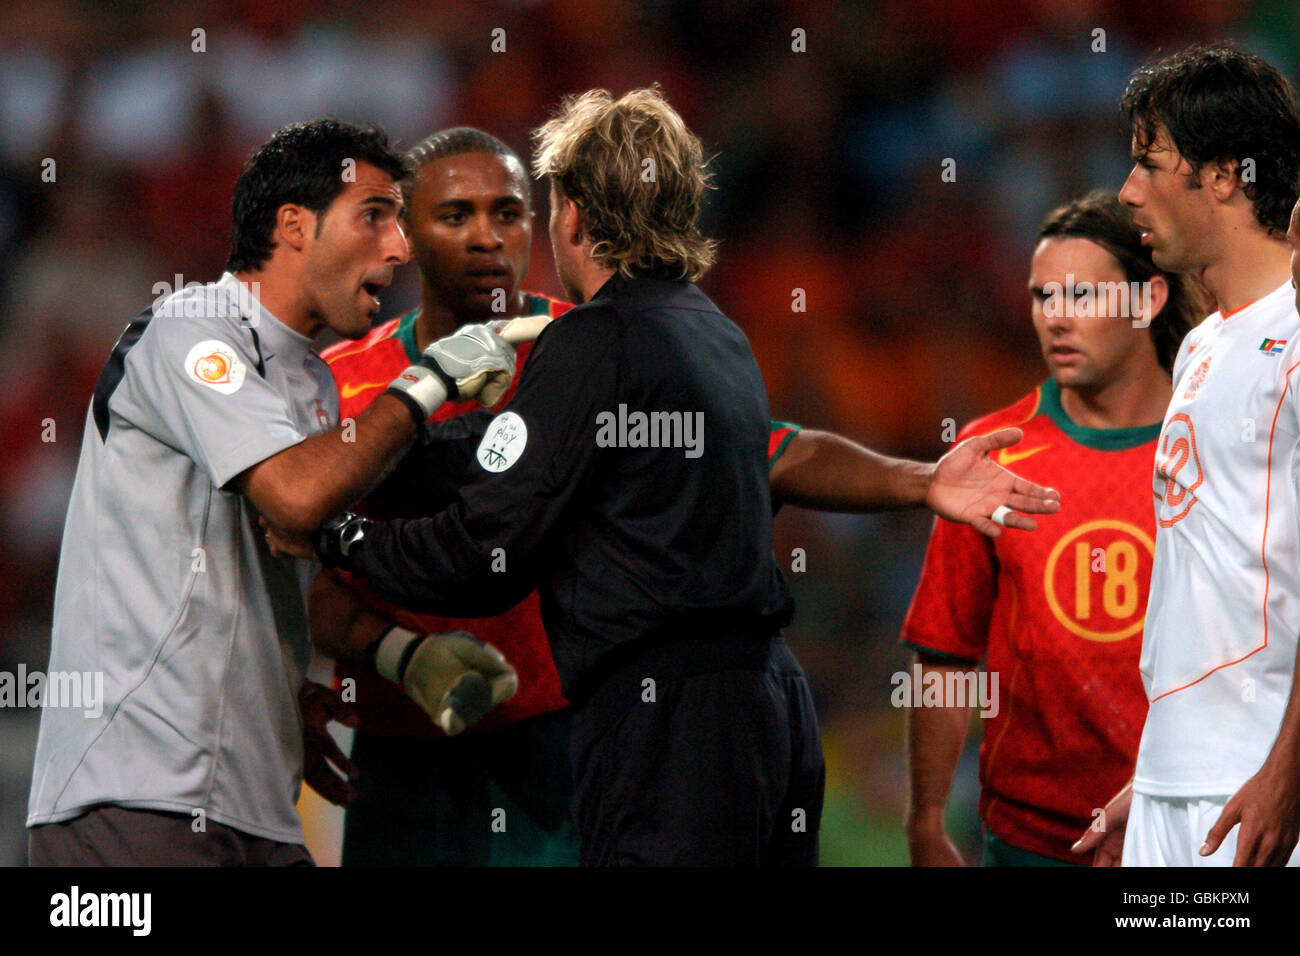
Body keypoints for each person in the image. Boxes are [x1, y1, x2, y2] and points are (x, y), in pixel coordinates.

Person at [276, 89, 1059, 866]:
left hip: (597, 734)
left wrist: (342, 529)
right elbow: (312, 550)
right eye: (456, 217)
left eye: (512, 211)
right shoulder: (706, 330)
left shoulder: (576, 344)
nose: (489, 237)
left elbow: (488, 545)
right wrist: (348, 669)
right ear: (406, 235)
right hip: (435, 751)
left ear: (566, 217)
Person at [25, 119, 519, 866]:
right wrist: (425, 384)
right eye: (374, 216)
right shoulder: (188, 332)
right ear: (294, 225)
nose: (400, 246)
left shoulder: (314, 380)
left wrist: (402, 656)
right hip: (134, 799)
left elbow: (295, 571)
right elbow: (293, 499)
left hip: (257, 806)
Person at [901, 191, 1206, 867]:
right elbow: (947, 655)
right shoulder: (989, 455)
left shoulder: (1214, 446)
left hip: (1190, 830)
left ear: (1148, 300)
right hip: (1030, 841)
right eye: (1043, 296)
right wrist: (924, 822)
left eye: (1083, 296)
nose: (1056, 319)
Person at [1074, 44, 1300, 867]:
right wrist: (1161, 770)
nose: (1128, 190)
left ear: (1225, 176)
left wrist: (1286, 770)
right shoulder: (1202, 342)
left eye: (1150, 162)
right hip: (1179, 782)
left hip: (1260, 789)